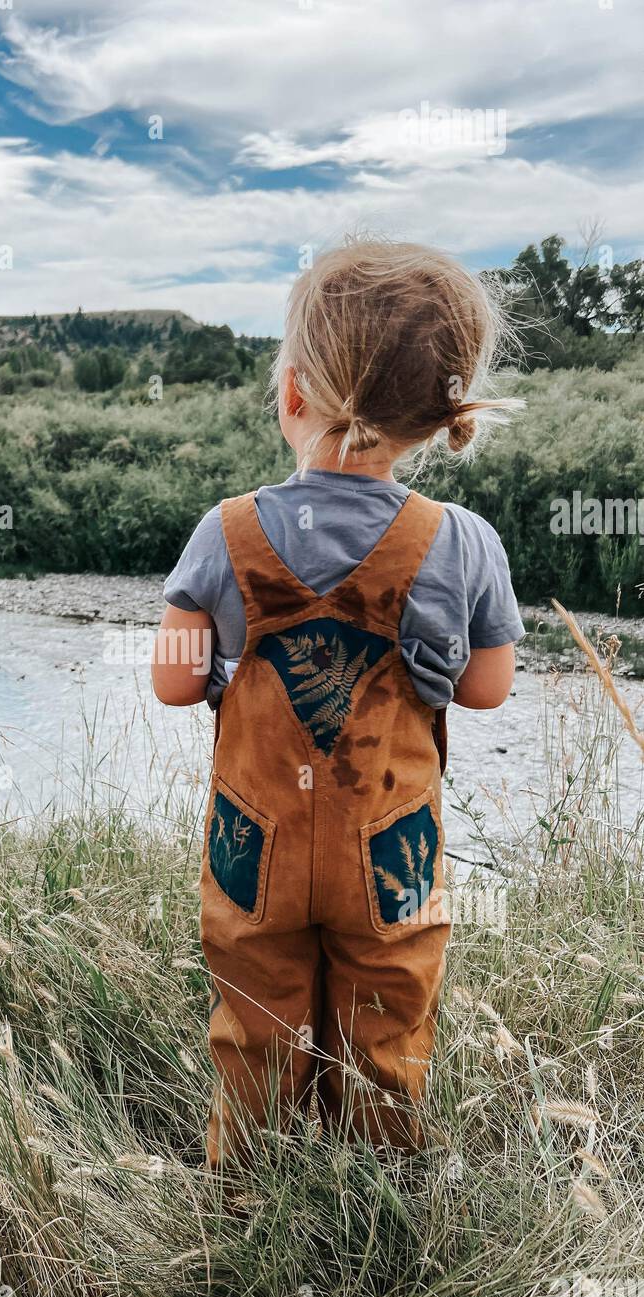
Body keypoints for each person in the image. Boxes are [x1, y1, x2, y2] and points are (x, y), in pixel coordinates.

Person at [152, 238, 525, 1166]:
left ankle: (246, 1194)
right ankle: (376, 1194)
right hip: (391, 846)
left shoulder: (225, 531)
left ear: (290, 396)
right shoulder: (464, 541)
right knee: (387, 1027)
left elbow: (170, 683)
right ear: (439, 422)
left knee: (252, 1029)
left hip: (254, 846)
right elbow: (486, 691)